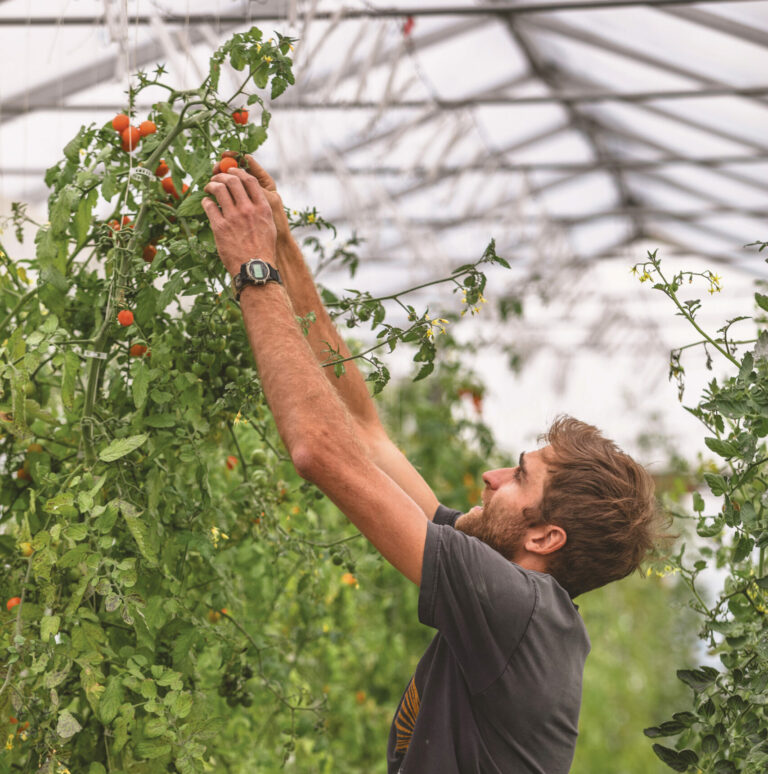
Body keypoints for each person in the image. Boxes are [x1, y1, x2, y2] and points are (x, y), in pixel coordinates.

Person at [201, 153, 671, 774]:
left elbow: (320, 448)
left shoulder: (518, 609)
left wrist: (252, 271)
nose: (490, 477)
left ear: (545, 535)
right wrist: (284, 246)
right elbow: (367, 434)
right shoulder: (508, 591)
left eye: (519, 478)